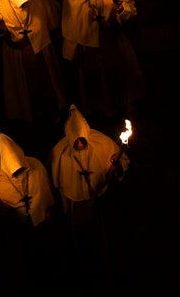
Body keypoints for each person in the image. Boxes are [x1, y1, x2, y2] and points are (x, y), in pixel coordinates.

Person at [60, 0, 146, 122]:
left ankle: (124, 105)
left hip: (112, 40)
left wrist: (120, 7)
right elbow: (72, 22)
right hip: (89, 47)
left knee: (119, 75)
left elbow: (130, 11)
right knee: (97, 81)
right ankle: (101, 111)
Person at [0, 0, 68, 131]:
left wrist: (42, 33)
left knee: (49, 83)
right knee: (24, 90)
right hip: (17, 56)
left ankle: (55, 113)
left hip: (41, 50)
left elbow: (54, 17)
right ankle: (30, 118)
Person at [47, 104, 130, 276]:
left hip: (100, 198)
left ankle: (105, 265)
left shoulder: (100, 142)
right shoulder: (61, 152)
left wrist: (117, 166)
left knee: (101, 233)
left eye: (81, 139)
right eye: (75, 140)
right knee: (79, 234)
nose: (79, 143)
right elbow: (56, 178)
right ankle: (83, 266)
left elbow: (122, 161)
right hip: (75, 203)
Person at [0, 132, 56, 229]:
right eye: (15, 172)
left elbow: (46, 193)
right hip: (16, 226)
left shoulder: (35, 165)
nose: (18, 173)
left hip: (43, 221)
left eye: (21, 170)